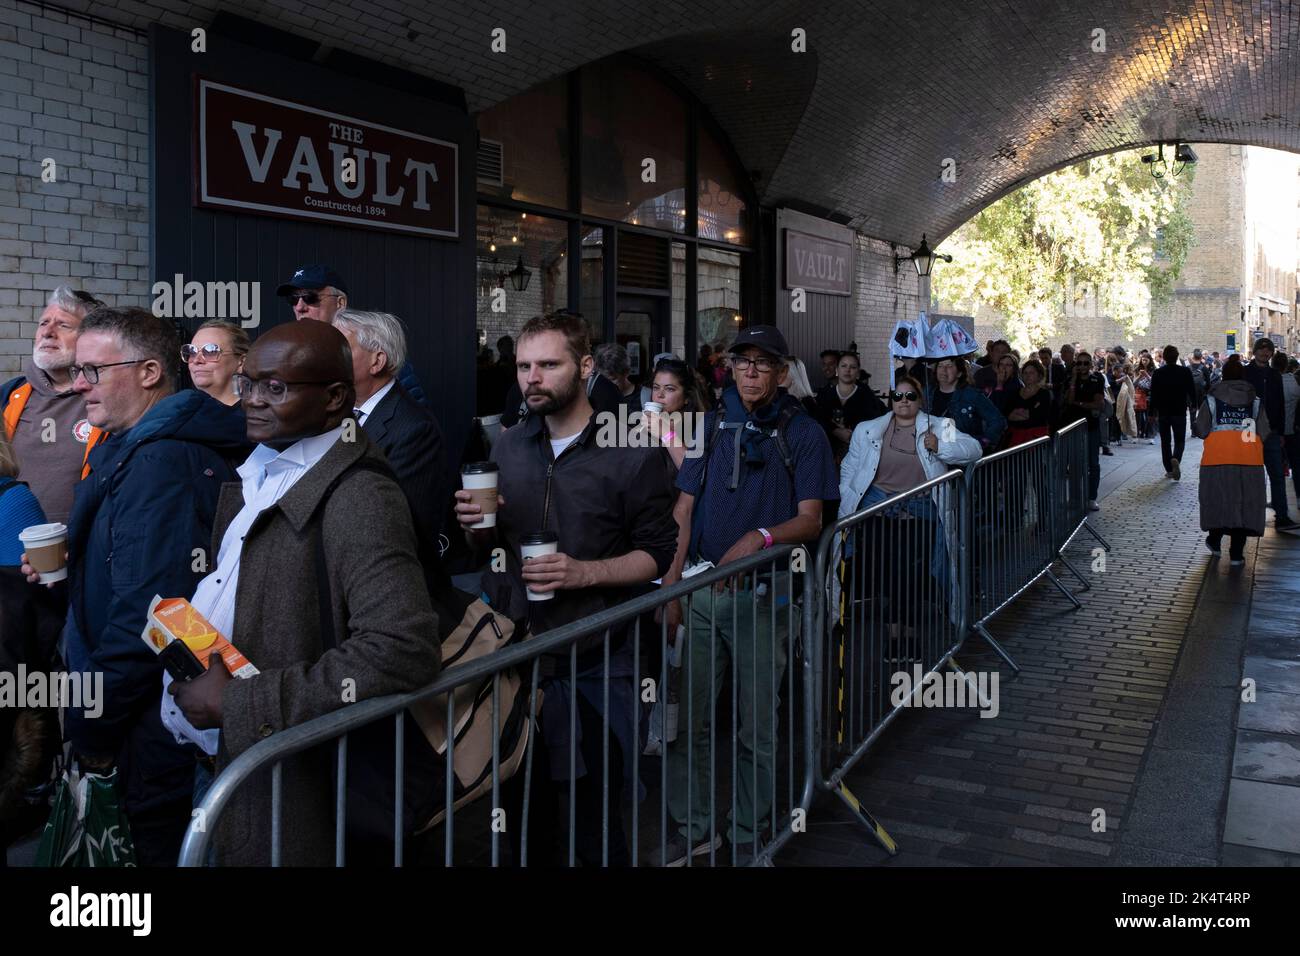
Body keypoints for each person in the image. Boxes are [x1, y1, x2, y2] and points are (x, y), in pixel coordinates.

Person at [167, 320, 440, 866]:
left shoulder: (359, 494)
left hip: (294, 786)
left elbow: (401, 648)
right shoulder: (261, 468)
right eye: (248, 384)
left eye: (276, 388)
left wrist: (241, 703)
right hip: (231, 763)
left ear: (336, 397)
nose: (252, 401)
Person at [21, 306, 248, 866]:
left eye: (94, 371)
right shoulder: (131, 445)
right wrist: (76, 573)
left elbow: (148, 612)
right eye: (79, 370)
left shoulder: (160, 459)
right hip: (142, 717)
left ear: (149, 373)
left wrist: (91, 729)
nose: (78, 385)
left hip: (149, 726)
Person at [454, 312, 677, 866]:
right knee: (522, 816)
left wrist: (584, 573)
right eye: (524, 366)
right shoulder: (507, 446)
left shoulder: (633, 450)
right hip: (517, 660)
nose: (532, 378)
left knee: (595, 819)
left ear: (583, 367)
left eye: (548, 365)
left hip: (598, 663)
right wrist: (474, 531)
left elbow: (660, 554)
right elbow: (490, 550)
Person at [654, 325, 837, 867]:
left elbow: (811, 519)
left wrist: (760, 538)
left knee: (757, 725)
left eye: (764, 363)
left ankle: (747, 829)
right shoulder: (709, 428)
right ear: (729, 369)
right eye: (742, 362)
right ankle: (695, 827)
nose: (751, 372)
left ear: (782, 372)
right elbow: (683, 510)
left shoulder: (804, 434)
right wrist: (670, 588)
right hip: (704, 591)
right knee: (691, 721)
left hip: (766, 597)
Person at [838, 374, 981, 640]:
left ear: (920, 399)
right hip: (878, 511)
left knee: (913, 574)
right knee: (887, 573)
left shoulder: (940, 425)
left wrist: (941, 447)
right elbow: (850, 466)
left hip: (921, 512)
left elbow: (972, 449)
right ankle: (893, 633)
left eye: (910, 396)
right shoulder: (868, 429)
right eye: (898, 396)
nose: (904, 401)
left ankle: (911, 633)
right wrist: (847, 492)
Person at [332, 308, 448, 557]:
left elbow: (397, 526)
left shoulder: (415, 430)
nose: (329, 358)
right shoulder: (338, 414)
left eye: (341, 349)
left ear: (377, 361)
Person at [1, 286, 106, 525]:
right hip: (10, 545)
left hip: (82, 548)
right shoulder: (9, 395)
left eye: (63, 325)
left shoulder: (107, 399)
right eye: (43, 323)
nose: (48, 332)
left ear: (90, 337)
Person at [276, 263, 429, 406]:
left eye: (310, 297)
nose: (300, 307)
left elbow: (414, 420)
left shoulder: (375, 348)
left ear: (340, 303)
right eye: (293, 299)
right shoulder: (290, 356)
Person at [1192, 355, 1268, 565]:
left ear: (1223, 376)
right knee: (1243, 505)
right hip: (1249, 462)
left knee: (1218, 501)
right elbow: (1265, 431)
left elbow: (1201, 429)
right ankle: (1236, 554)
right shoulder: (1255, 402)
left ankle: (1215, 541)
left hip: (1216, 460)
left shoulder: (1211, 399)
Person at [1241, 338, 1294, 529]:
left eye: (1268, 350)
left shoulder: (1274, 375)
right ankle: (1248, 514)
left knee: (1277, 475)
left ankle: (1282, 516)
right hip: (1249, 430)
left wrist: (1280, 431)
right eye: (1261, 350)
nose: (1265, 353)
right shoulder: (1245, 373)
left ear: (1271, 353)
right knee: (1249, 475)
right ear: (1254, 352)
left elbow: (1279, 404)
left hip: (1271, 431)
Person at [815, 352, 886, 462]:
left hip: (859, 454)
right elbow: (818, 420)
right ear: (837, 370)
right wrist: (835, 430)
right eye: (844, 366)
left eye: (853, 367)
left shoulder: (867, 396)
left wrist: (853, 433)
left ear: (858, 372)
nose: (848, 370)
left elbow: (875, 422)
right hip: (828, 454)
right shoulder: (824, 395)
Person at [927, 355, 1006, 452]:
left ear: (959, 373)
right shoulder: (927, 393)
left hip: (962, 454)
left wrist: (983, 441)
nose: (943, 370)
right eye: (940, 366)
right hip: (934, 453)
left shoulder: (971, 395)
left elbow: (997, 420)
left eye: (949, 366)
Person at [1059, 350, 1106, 510]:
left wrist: (1079, 404)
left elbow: (1098, 404)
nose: (1082, 366)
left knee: (1093, 463)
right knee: (1074, 464)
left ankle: (1092, 497)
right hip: (1073, 427)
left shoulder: (1097, 379)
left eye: (1086, 363)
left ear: (1091, 364)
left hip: (1091, 427)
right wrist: (1073, 378)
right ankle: (1074, 498)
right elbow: (1070, 399)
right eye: (1079, 363)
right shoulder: (1070, 380)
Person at [1148, 344, 1198, 480]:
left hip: (1163, 412)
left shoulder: (1158, 373)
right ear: (1177, 356)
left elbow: (1154, 394)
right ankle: (1175, 458)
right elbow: (1192, 390)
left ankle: (1169, 469)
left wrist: (1152, 412)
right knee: (1179, 440)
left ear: (1164, 357)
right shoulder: (1185, 372)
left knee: (1165, 441)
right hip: (1179, 410)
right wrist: (1194, 405)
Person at [184, 320, 249, 407]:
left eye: (210, 351)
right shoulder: (179, 414)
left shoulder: (257, 415)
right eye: (192, 352)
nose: (196, 360)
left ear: (241, 362)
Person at [1004, 359, 1055, 446]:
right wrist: (1027, 414)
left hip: (1037, 438)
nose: (1028, 376)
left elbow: (1040, 416)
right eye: (1025, 373)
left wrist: (1018, 413)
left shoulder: (1044, 394)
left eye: (1031, 373)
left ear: (1039, 375)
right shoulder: (1015, 393)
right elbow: (1008, 414)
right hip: (1016, 437)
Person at [1277, 351, 1300, 517]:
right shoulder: (1294, 383)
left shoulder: (1272, 382)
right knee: (1296, 465)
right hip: (1291, 430)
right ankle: (1298, 496)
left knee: (1276, 470)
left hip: (1275, 432)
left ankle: (1280, 501)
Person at [593, 342, 640, 413]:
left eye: (612, 379)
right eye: (602, 380)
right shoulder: (595, 398)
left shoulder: (644, 399)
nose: (605, 386)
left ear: (626, 373)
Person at [1134, 353, 1155, 443]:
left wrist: (1146, 375)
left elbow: (1155, 383)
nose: (1144, 362)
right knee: (1138, 416)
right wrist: (1139, 376)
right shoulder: (1137, 369)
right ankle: (1136, 434)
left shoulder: (1154, 370)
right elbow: (1133, 383)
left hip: (1149, 395)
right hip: (1139, 394)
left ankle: (1150, 435)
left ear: (1150, 360)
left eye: (1146, 360)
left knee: (1149, 416)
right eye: (1143, 360)